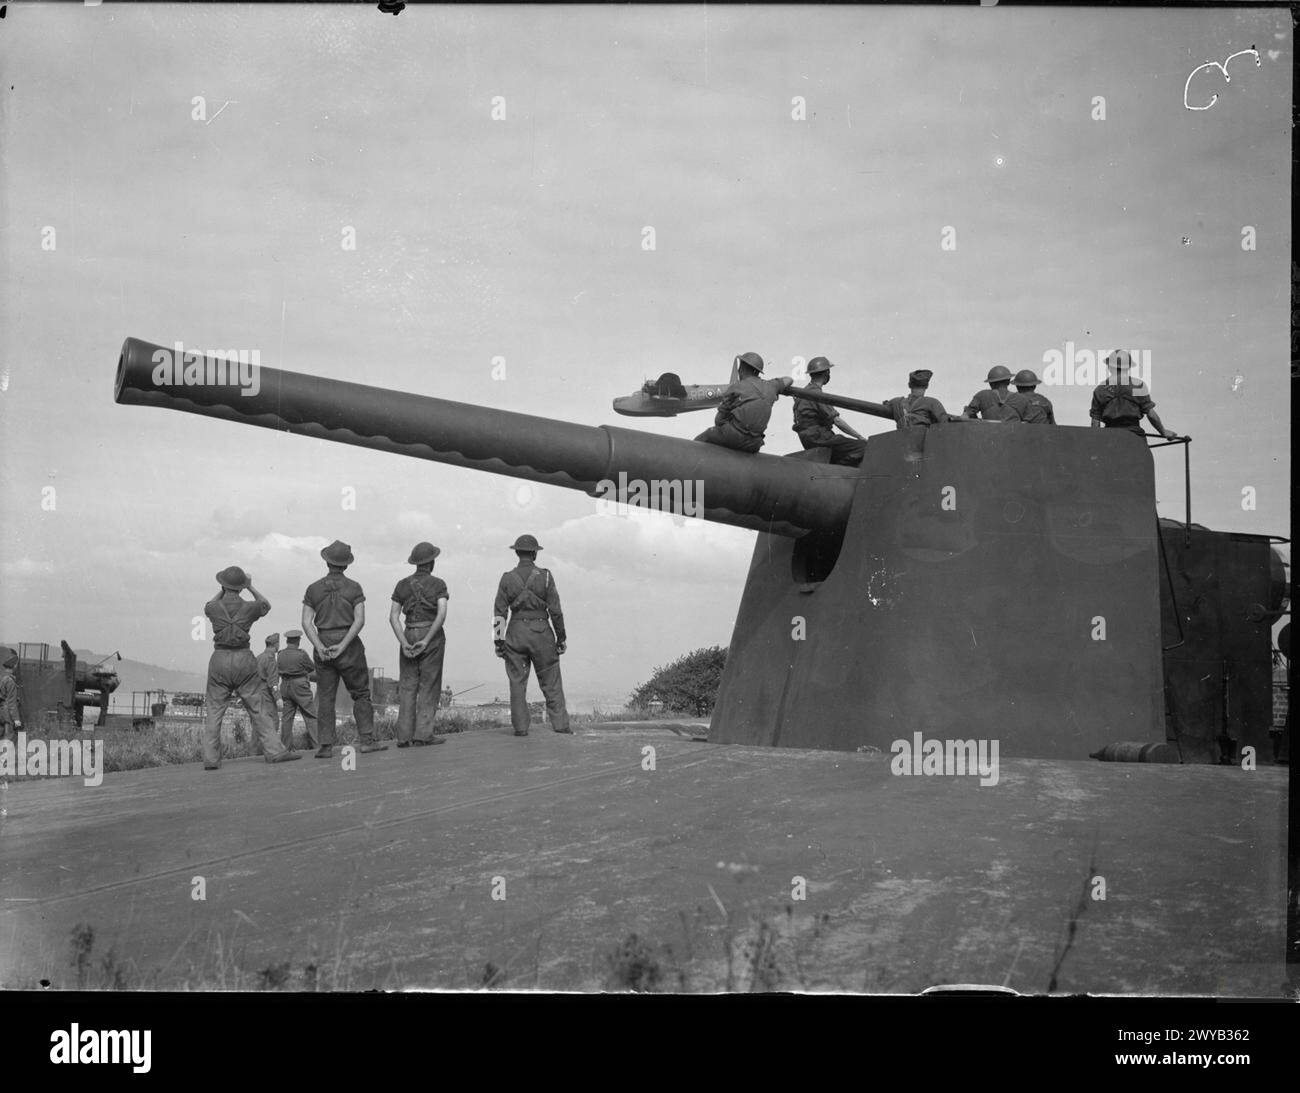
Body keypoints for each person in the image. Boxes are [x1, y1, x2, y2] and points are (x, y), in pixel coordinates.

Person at [202, 567, 298, 770]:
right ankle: (274, 751)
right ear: (241, 587)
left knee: (214, 710)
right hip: (243, 659)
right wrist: (250, 586)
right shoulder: (249, 607)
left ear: (223, 585)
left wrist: (222, 590)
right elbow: (266, 605)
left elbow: (209, 605)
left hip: (219, 658)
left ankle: (211, 759)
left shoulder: (214, 609)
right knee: (258, 707)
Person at [302, 540, 385, 758]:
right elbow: (360, 621)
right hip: (349, 646)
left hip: (323, 643)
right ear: (346, 565)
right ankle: (367, 741)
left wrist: (320, 647)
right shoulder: (354, 587)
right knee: (360, 694)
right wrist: (343, 644)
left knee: (326, 697)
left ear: (327, 562)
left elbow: (306, 622)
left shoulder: (313, 589)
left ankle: (326, 747)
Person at [493, 535, 571, 736]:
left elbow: (499, 613)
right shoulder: (545, 576)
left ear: (517, 552)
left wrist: (499, 642)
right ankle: (561, 725)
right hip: (542, 633)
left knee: (517, 682)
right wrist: (561, 638)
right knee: (551, 680)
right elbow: (556, 611)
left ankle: (520, 728)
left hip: (515, 633)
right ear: (535, 553)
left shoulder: (507, 578)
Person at [389, 541, 449, 748]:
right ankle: (423, 735)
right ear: (431, 562)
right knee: (429, 686)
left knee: (407, 686)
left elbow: (393, 617)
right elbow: (441, 615)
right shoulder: (439, 584)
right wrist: (427, 639)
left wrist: (404, 642)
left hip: (408, 633)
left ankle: (403, 737)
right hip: (430, 636)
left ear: (415, 563)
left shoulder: (401, 584)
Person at [694, 352, 794, 453]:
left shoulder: (736, 387)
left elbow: (718, 420)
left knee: (705, 437)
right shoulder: (771, 386)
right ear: (758, 371)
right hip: (754, 443)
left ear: (742, 368)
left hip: (734, 438)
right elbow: (789, 379)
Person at [791, 357, 867, 466]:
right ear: (826, 373)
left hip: (808, 440)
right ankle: (840, 468)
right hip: (820, 438)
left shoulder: (803, 393)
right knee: (863, 447)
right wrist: (860, 437)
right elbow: (837, 421)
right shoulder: (816, 394)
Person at [1090, 350, 1177, 438]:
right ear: (1128, 367)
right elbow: (1151, 415)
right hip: (1134, 436)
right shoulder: (1138, 386)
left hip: (1110, 437)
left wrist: (1098, 444)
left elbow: (1095, 422)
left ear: (1109, 366)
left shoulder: (1100, 389)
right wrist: (1163, 432)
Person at [276, 629, 319, 751]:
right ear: (298, 641)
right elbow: (311, 668)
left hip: (285, 686)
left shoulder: (280, 654)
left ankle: (286, 748)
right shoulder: (302, 654)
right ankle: (317, 746)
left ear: (288, 640)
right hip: (300, 687)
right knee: (310, 716)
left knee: (287, 718)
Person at [882, 370, 953, 428]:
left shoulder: (897, 402)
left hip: (903, 440)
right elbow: (945, 421)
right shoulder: (931, 402)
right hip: (921, 440)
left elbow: (885, 407)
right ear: (926, 386)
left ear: (909, 385)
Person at [253, 632, 280, 756]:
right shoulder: (270, 659)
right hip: (266, 694)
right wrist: (278, 697)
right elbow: (273, 682)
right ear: (276, 644)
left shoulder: (258, 657)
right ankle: (272, 750)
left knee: (257, 722)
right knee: (273, 721)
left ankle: (255, 751)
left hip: (256, 693)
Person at [0, 648, 21, 742]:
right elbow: (11, 703)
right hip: (7, 711)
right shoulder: (11, 682)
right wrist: (16, 719)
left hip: (3, 710)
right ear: (14, 667)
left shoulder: (4, 679)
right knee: (9, 737)